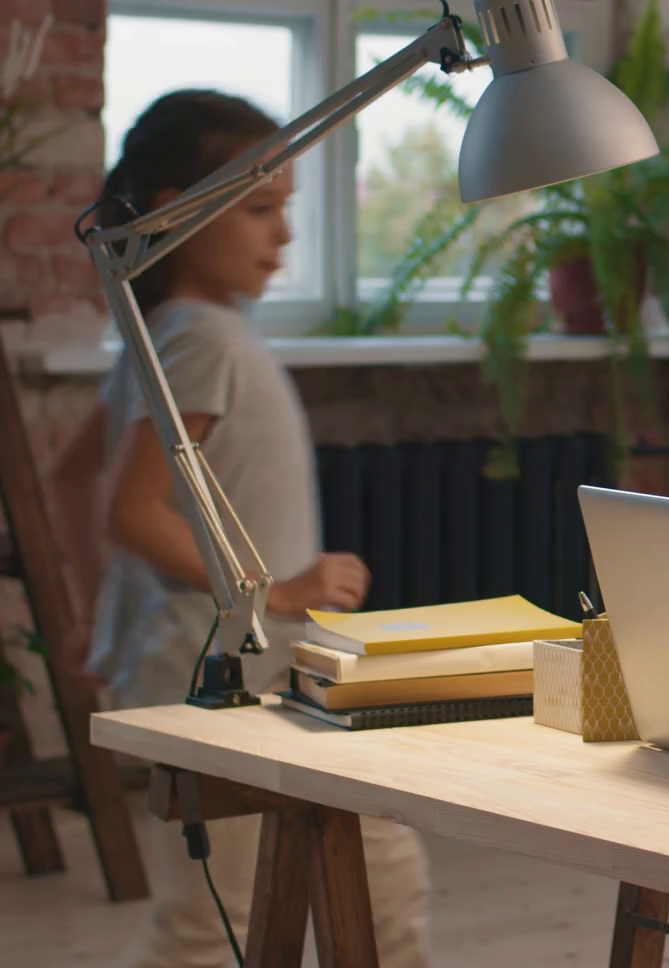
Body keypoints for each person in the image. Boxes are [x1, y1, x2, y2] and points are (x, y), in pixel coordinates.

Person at [48, 89, 430, 968]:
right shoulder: (204, 341)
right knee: (212, 924)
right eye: (261, 209)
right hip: (227, 682)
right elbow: (127, 509)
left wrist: (83, 610)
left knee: (377, 873)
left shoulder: (171, 334)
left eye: (285, 209)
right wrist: (282, 589)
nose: (284, 236)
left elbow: (72, 477)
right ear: (176, 214)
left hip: (254, 676)